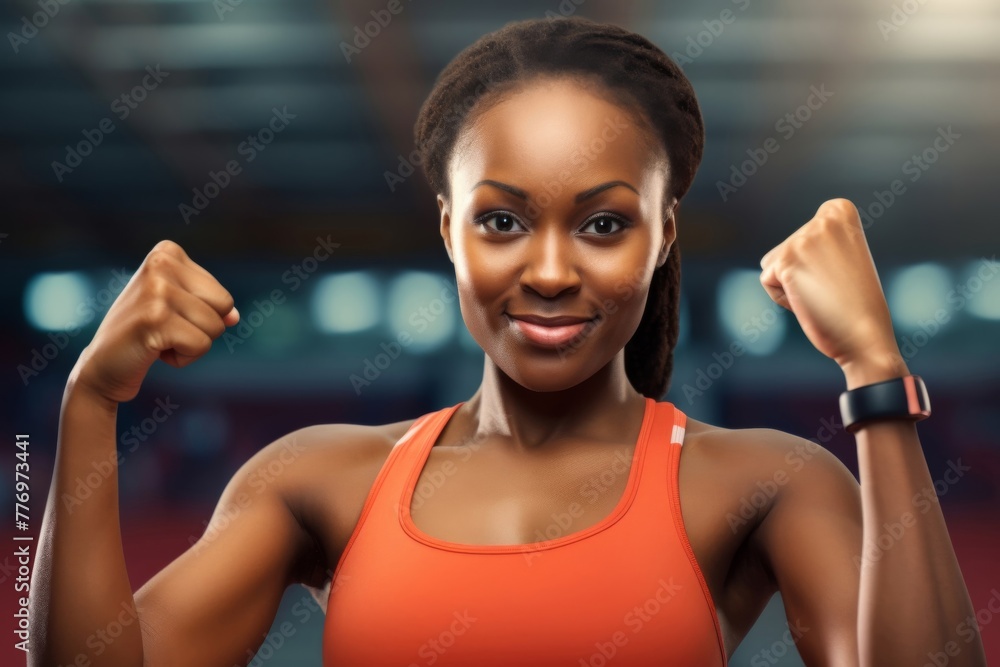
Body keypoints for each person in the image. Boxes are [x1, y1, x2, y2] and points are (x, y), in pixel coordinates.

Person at [28, 16, 986, 667]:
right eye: (502, 222)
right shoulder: (316, 478)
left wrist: (874, 373)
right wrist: (88, 402)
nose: (553, 271)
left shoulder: (763, 481)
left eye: (606, 224)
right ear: (448, 230)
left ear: (665, 236)